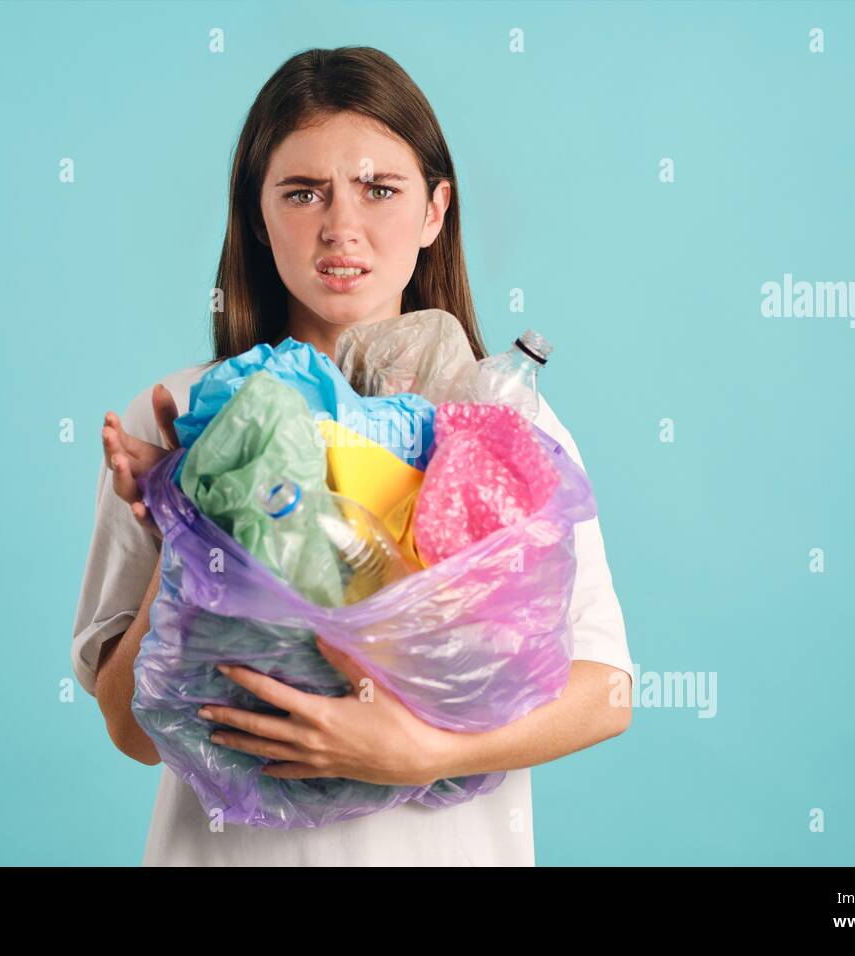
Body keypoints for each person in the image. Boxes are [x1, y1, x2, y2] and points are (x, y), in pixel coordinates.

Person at [72, 46, 633, 866]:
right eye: (302, 193)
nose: (342, 226)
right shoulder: (180, 415)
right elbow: (131, 730)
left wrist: (423, 754)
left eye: (380, 189)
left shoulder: (500, 424)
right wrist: (192, 518)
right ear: (258, 216)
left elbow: (607, 692)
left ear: (436, 210)